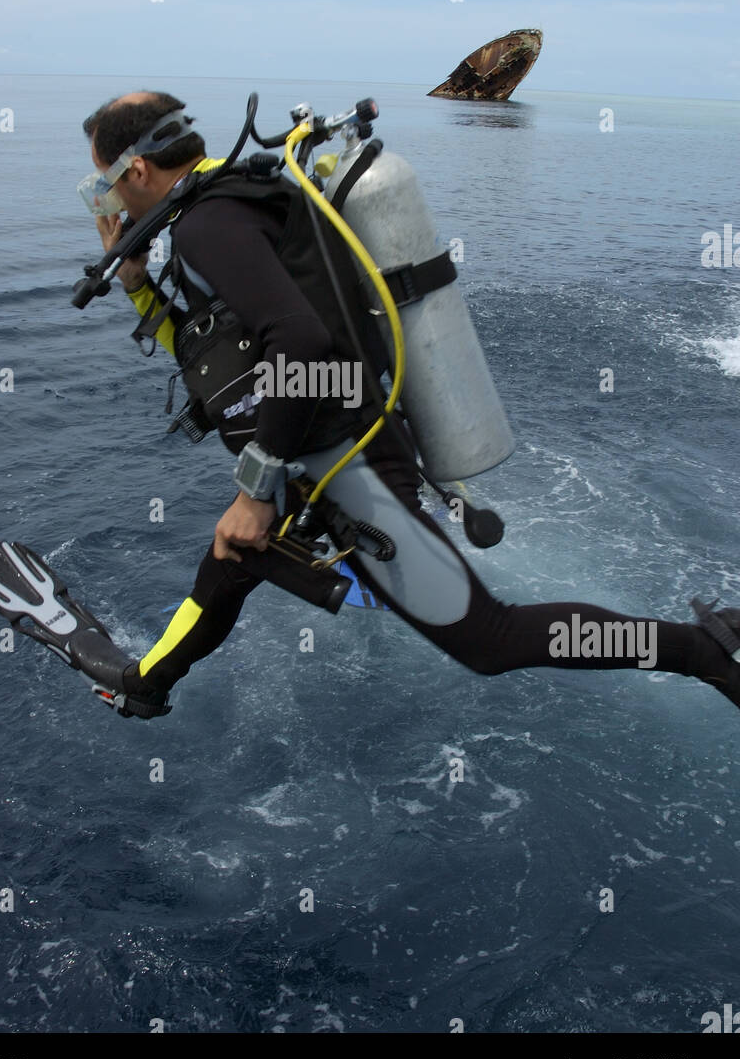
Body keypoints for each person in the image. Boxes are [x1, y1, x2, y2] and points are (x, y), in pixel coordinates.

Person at [71, 88, 740, 718]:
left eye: (102, 182)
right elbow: (215, 349)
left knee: (489, 638)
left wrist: (255, 486)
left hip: (342, 462)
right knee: (229, 563)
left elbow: (299, 341)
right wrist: (137, 284)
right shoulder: (236, 198)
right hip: (323, 454)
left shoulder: (206, 224)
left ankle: (704, 651)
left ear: (134, 171)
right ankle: (148, 685)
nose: (104, 199)